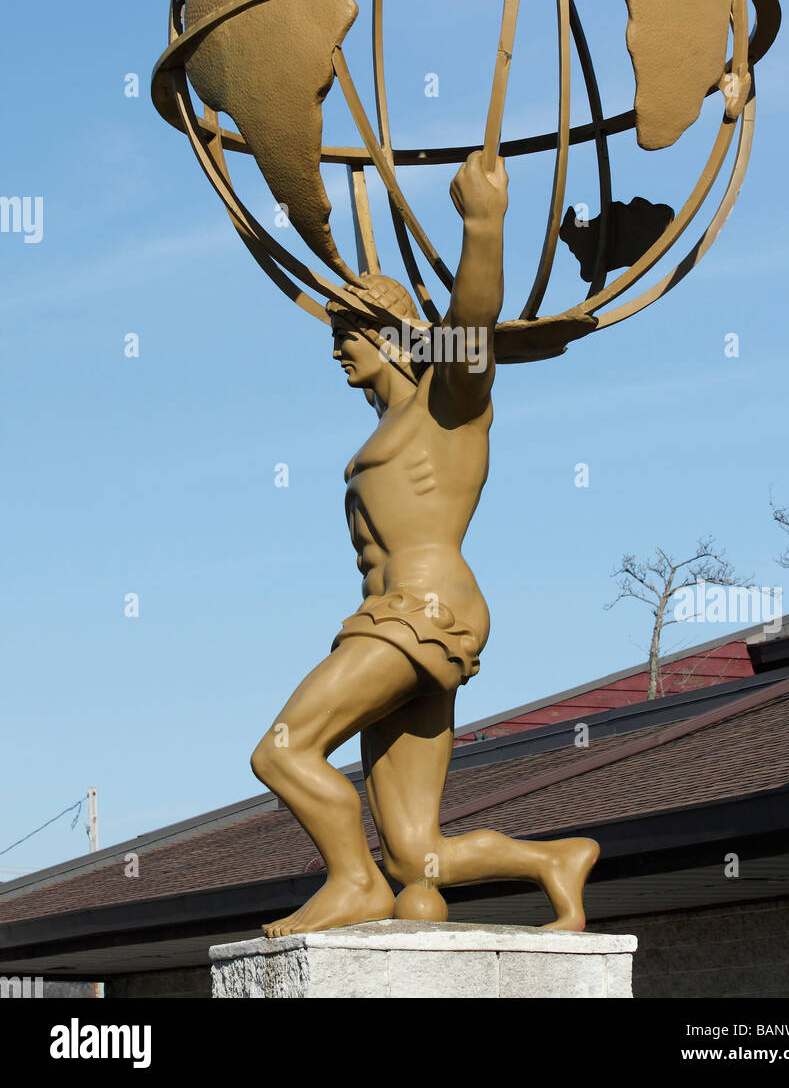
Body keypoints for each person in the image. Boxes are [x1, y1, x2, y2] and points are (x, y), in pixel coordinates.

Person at [251, 150, 599, 934]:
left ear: (391, 334)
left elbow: (468, 333)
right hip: (395, 619)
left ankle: (353, 885)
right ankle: (555, 862)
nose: (337, 347)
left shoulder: (449, 407)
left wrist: (483, 225)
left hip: (423, 610)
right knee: (417, 857)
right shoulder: (390, 425)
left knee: (281, 751)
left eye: (350, 332)